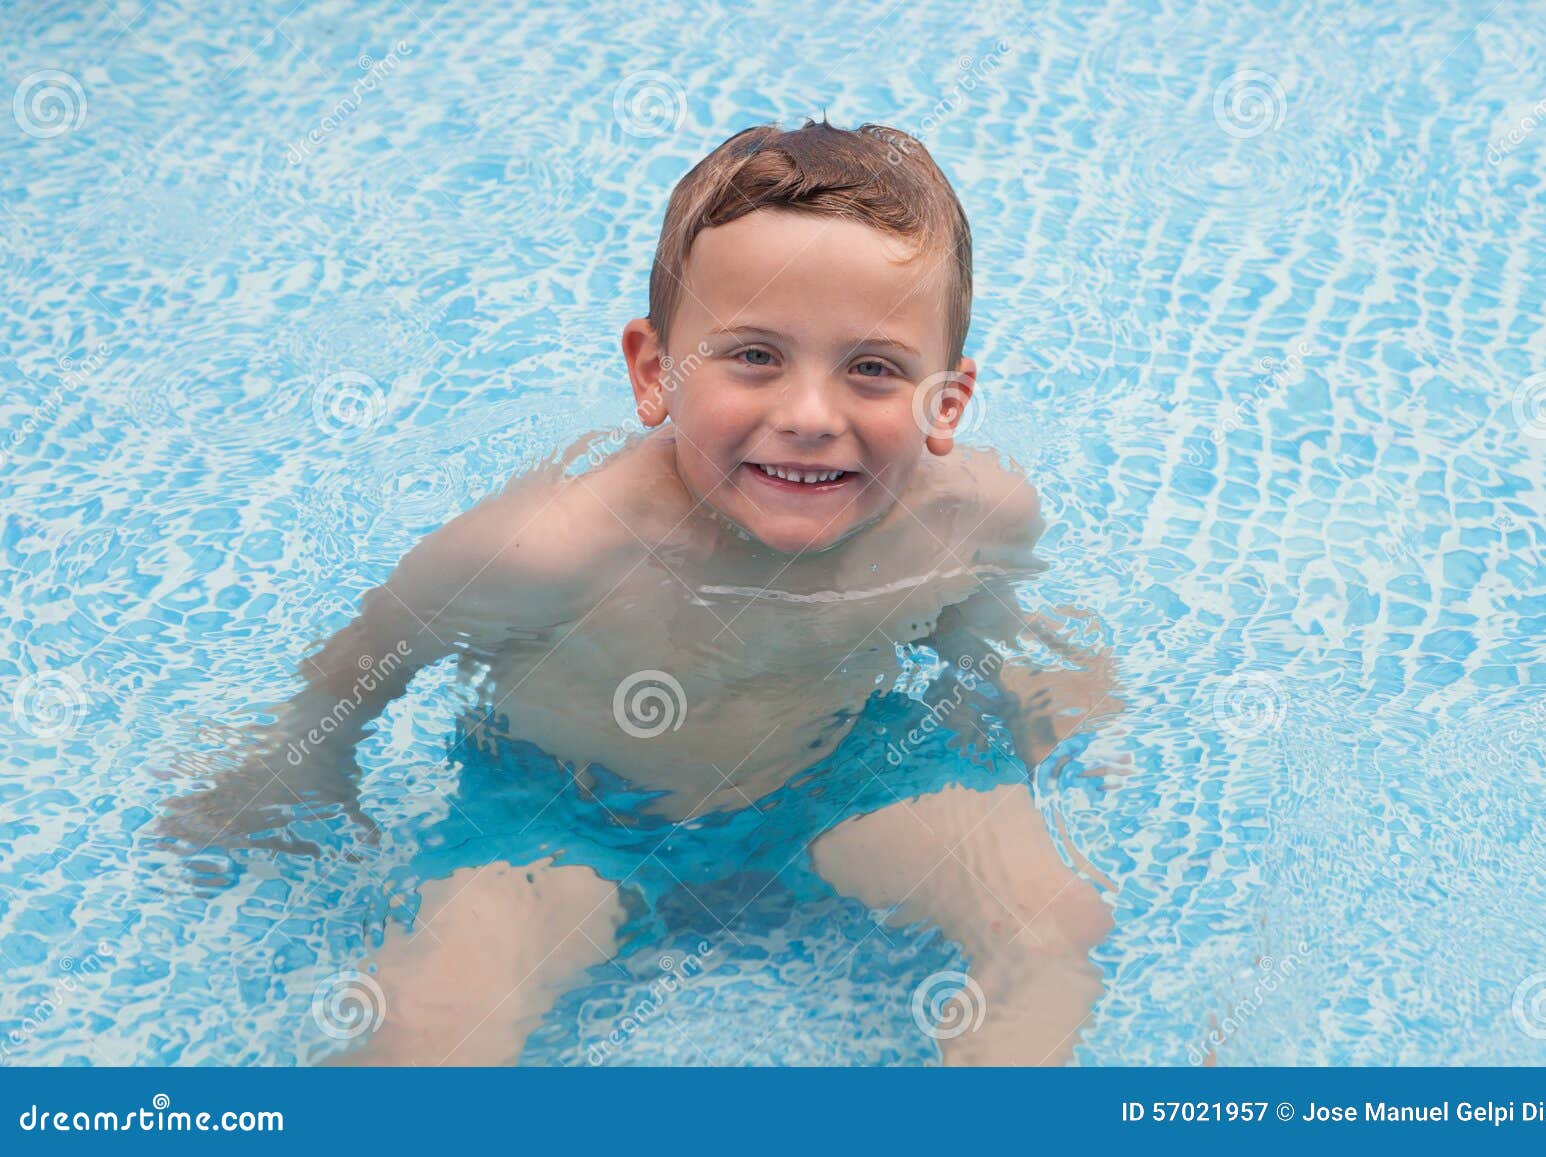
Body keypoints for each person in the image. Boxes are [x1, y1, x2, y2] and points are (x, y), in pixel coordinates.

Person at [161, 118, 1122, 1066]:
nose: (808, 415)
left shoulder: (973, 517)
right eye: (754, 356)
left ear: (944, 404)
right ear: (657, 373)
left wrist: (1022, 695)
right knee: (430, 1029)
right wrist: (299, 761)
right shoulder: (552, 547)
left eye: (873, 370)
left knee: (1052, 926)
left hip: (839, 779)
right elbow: (383, 643)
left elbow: (975, 638)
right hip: (573, 817)